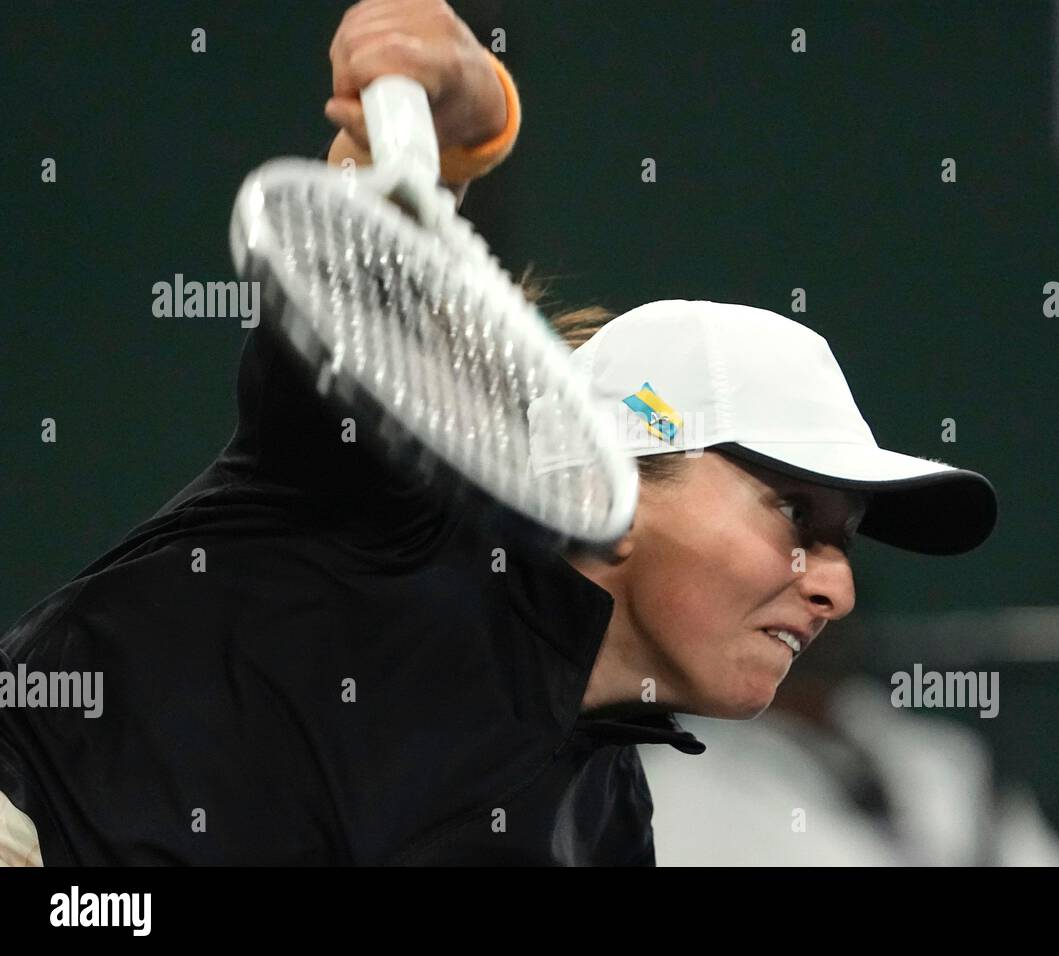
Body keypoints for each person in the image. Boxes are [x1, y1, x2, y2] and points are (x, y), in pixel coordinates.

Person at [0, 0, 997, 866]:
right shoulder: (390, 504)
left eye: (842, 536)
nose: (835, 583)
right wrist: (445, 139)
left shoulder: (605, 824)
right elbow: (360, 284)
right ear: (625, 471)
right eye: (793, 509)